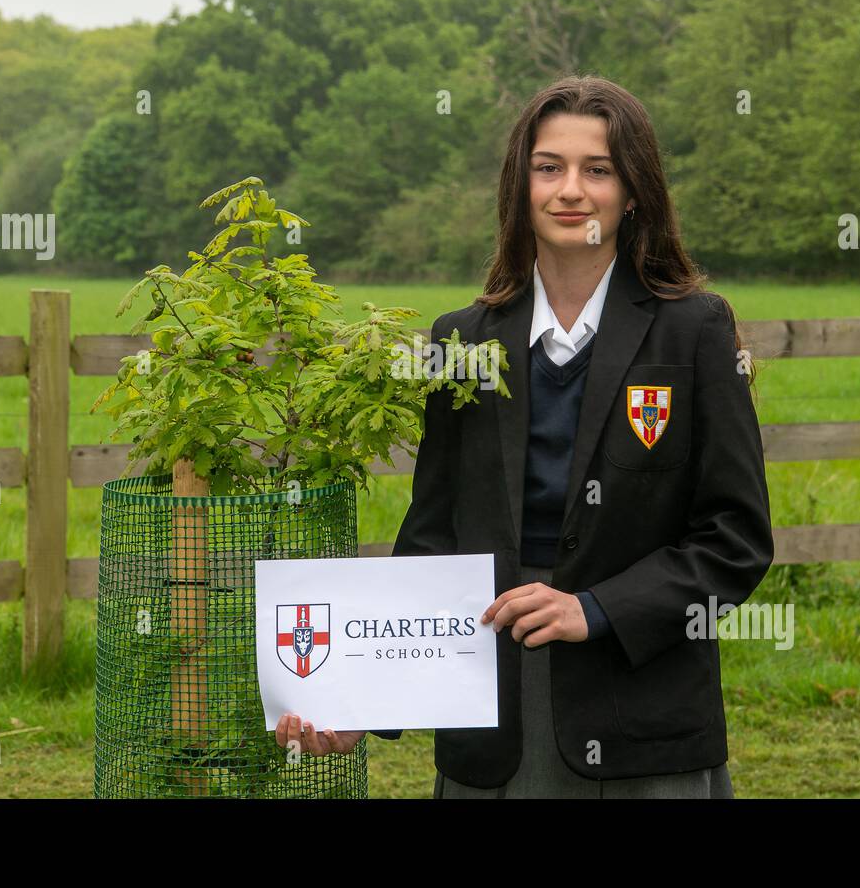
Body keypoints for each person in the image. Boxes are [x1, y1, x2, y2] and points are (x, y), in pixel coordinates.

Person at [274, 74, 774, 798]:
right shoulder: (460, 341)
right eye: (549, 168)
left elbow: (735, 540)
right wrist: (368, 699)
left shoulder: (695, 330)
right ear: (521, 186)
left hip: (642, 721)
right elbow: (433, 539)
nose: (571, 190)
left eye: (597, 170)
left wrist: (593, 610)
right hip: (489, 721)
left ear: (633, 192)